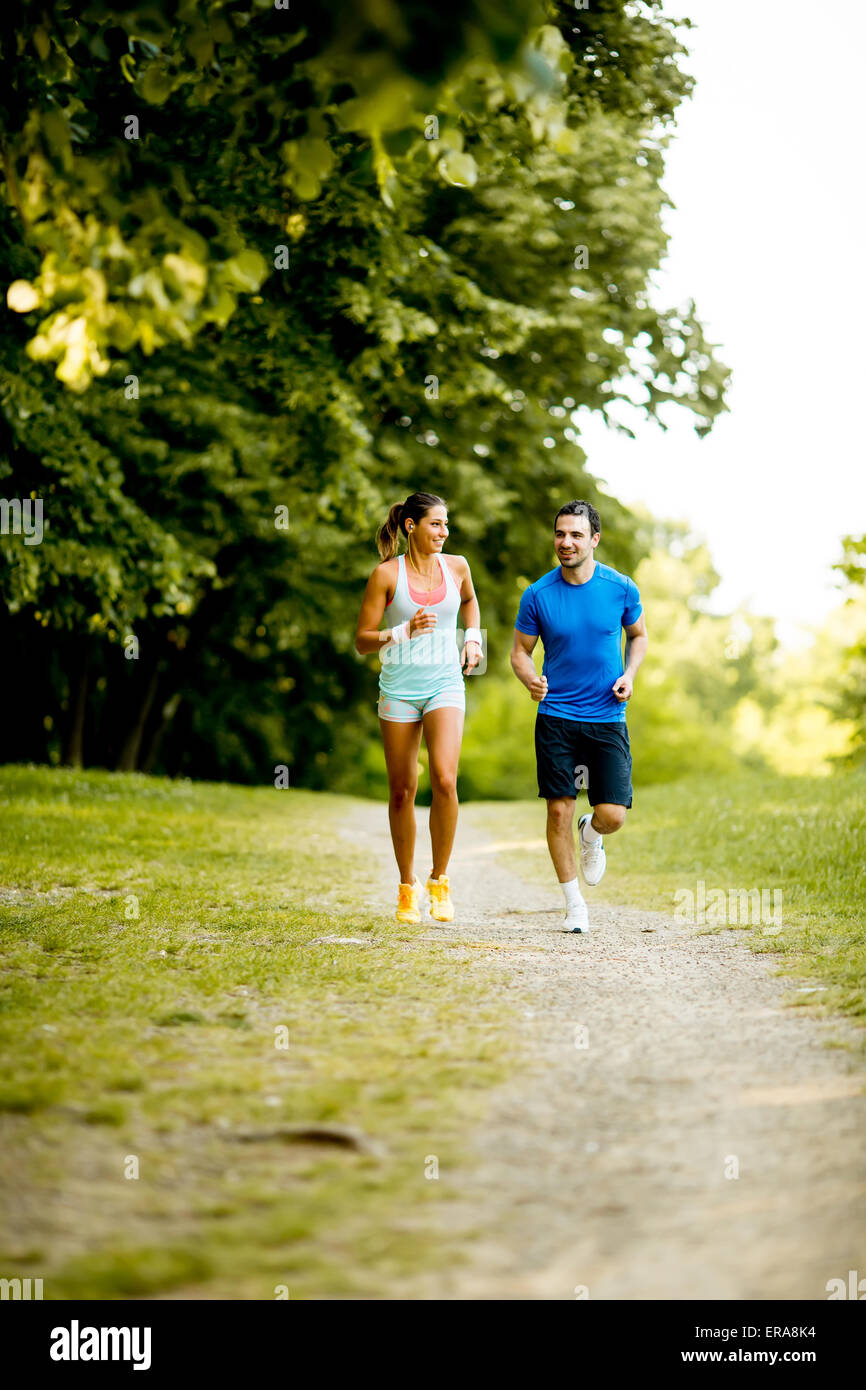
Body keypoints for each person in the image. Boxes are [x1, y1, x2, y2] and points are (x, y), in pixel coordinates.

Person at [510, 500, 648, 933]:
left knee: (613, 815)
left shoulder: (621, 588)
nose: (565, 542)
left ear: (594, 539)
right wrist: (530, 679)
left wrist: (629, 673)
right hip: (556, 716)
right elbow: (519, 652)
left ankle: (592, 834)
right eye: (559, 534)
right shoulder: (538, 595)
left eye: (575, 535)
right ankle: (574, 905)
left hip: (608, 716)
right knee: (557, 813)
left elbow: (638, 635)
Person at [355, 492, 483, 924]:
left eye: (447, 525)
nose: (444, 533)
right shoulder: (386, 575)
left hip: (445, 681)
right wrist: (403, 631)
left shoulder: (457, 567)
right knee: (402, 790)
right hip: (399, 687)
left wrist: (472, 639)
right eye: (436, 525)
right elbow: (361, 641)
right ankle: (407, 886)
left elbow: (468, 600)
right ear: (412, 526)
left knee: (445, 779)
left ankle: (439, 880)